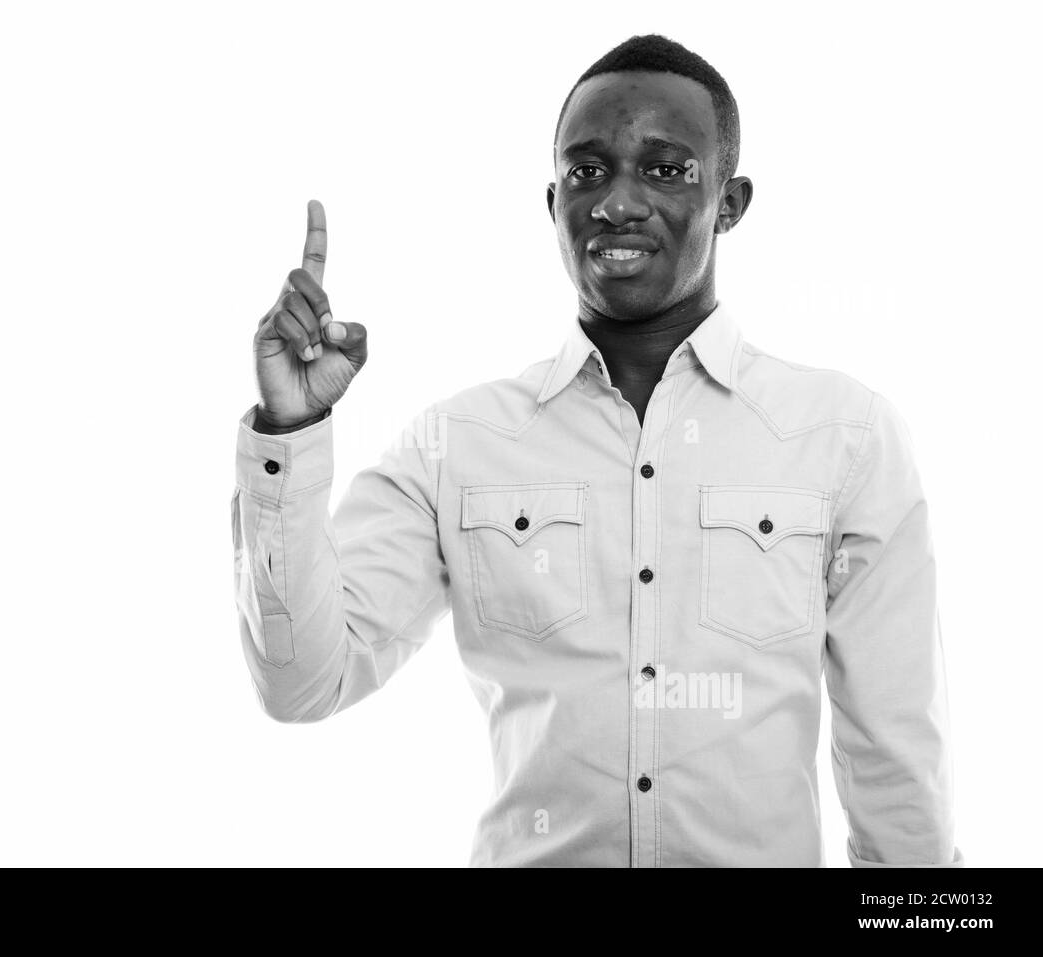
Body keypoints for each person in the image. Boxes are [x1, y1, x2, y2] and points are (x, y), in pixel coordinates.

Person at [230, 33, 962, 867]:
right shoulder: (455, 446)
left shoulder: (846, 436)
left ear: (730, 200)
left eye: (665, 168)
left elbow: (897, 758)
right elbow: (302, 683)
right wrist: (287, 431)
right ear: (553, 203)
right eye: (587, 172)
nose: (617, 203)